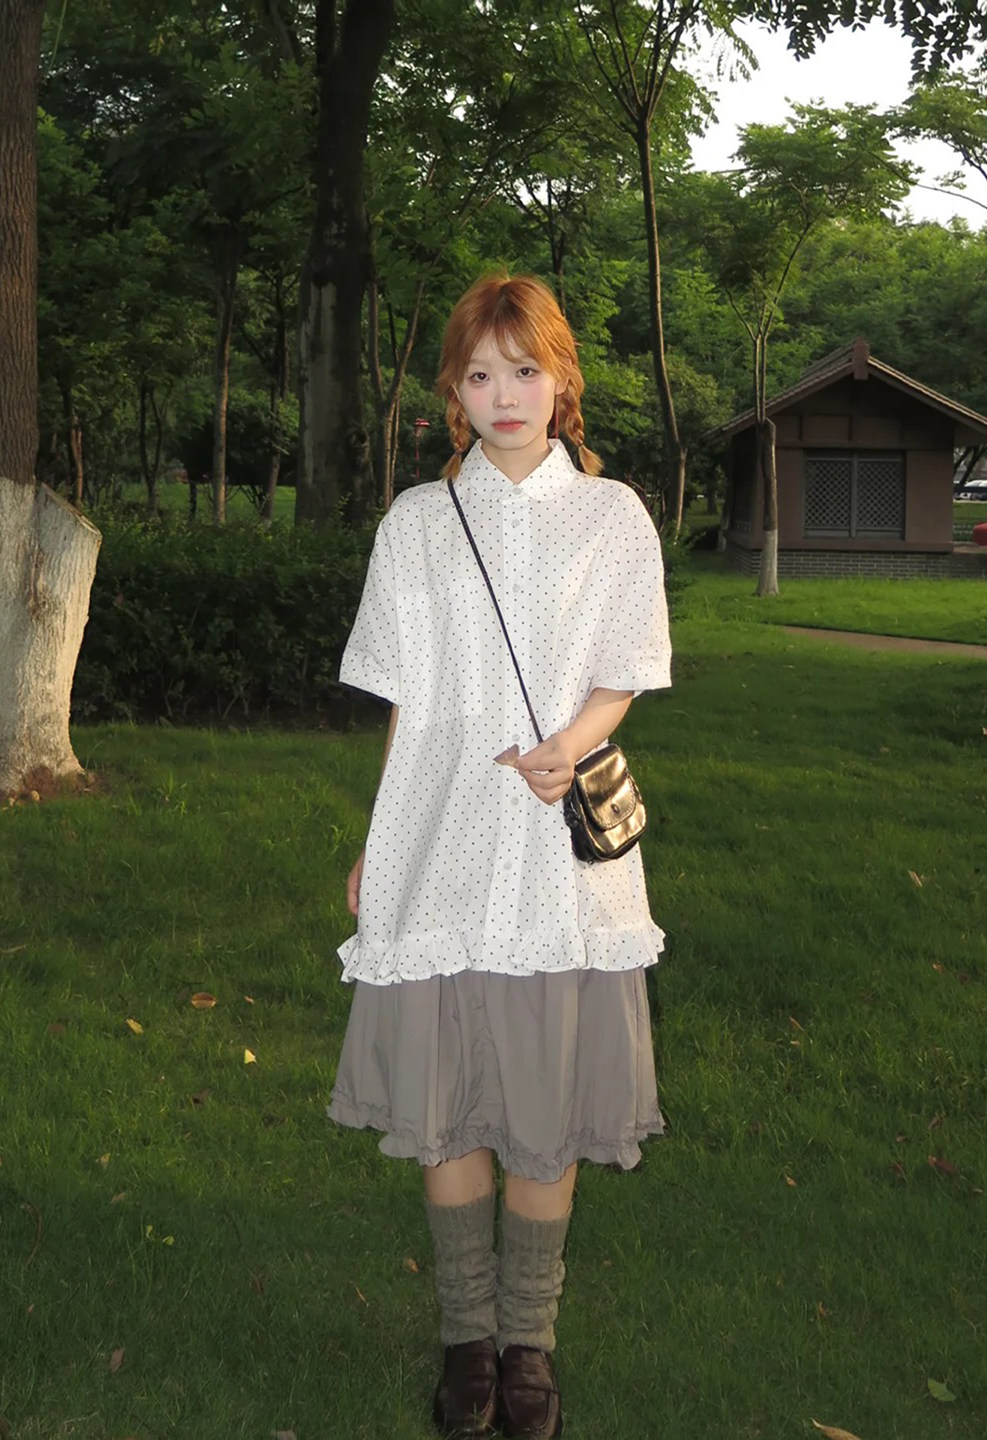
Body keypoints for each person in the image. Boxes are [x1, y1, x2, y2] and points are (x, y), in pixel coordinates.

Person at [329, 272, 673, 1439]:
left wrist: (572, 743)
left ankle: (531, 1344)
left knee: (546, 1104)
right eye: (481, 374)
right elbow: (404, 700)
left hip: (558, 859)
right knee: (447, 1100)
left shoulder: (613, 516)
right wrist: (379, 842)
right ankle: (466, 1339)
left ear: (562, 377)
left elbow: (626, 666)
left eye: (525, 369)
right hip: (439, 842)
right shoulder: (418, 523)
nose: (505, 394)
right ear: (455, 392)